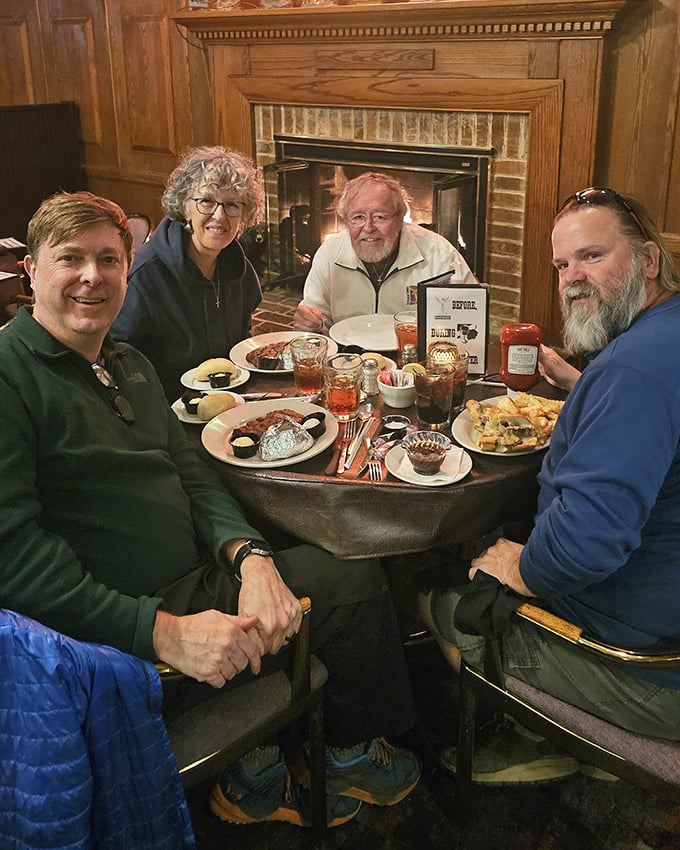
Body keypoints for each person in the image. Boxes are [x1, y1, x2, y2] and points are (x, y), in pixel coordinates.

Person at [0, 191, 420, 828]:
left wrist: (250, 558)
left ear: (128, 270)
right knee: (353, 581)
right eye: (70, 259)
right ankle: (321, 762)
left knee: (321, 552)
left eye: (109, 260)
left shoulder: (127, 362)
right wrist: (161, 631)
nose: (92, 276)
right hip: (125, 621)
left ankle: (265, 757)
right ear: (32, 271)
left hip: (198, 572)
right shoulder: (10, 378)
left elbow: (193, 475)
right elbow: (15, 565)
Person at [419, 187, 680, 784]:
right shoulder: (660, 341)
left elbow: (584, 544)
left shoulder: (633, 371)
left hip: (649, 667)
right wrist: (584, 387)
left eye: (592, 256)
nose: (571, 278)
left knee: (443, 599)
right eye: (562, 264)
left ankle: (541, 739)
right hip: (663, 605)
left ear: (648, 260)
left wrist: (520, 568)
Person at [111, 146, 265, 402]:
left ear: (244, 214)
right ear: (184, 205)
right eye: (206, 201)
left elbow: (242, 345)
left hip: (228, 402)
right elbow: (120, 363)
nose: (219, 216)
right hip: (166, 410)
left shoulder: (239, 268)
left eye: (231, 204)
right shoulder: (144, 276)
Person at [294, 172, 477, 334]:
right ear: (346, 221)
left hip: (414, 355)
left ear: (400, 218)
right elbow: (317, 319)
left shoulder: (439, 253)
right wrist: (309, 322)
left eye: (380, 217)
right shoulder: (329, 253)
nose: (368, 228)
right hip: (348, 357)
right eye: (358, 217)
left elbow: (471, 312)